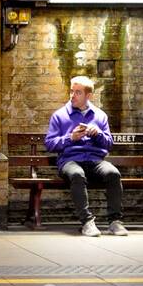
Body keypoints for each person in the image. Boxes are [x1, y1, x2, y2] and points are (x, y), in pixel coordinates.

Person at [44, 74, 127, 237]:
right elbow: (49, 144)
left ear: (88, 96)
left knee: (113, 173)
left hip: (95, 161)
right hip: (70, 161)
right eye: (71, 91)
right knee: (77, 174)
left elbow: (109, 144)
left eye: (78, 92)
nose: (72, 95)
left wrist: (98, 134)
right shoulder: (60, 115)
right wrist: (71, 138)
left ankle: (115, 222)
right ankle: (87, 222)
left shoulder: (100, 115)